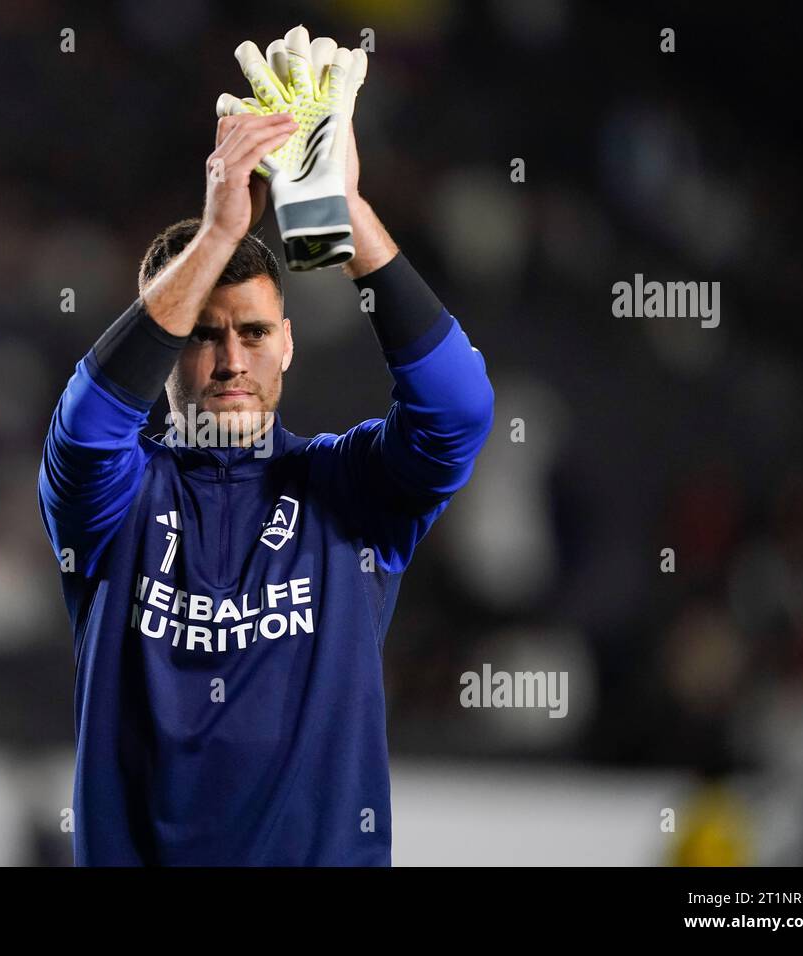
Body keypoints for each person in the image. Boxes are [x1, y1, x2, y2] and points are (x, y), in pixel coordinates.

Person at [38, 109, 495, 865]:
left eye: (252, 333)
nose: (230, 362)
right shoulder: (115, 502)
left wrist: (346, 212)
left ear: (287, 343)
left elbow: (459, 408)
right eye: (199, 335)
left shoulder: (348, 492)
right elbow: (85, 429)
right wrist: (216, 235)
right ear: (163, 349)